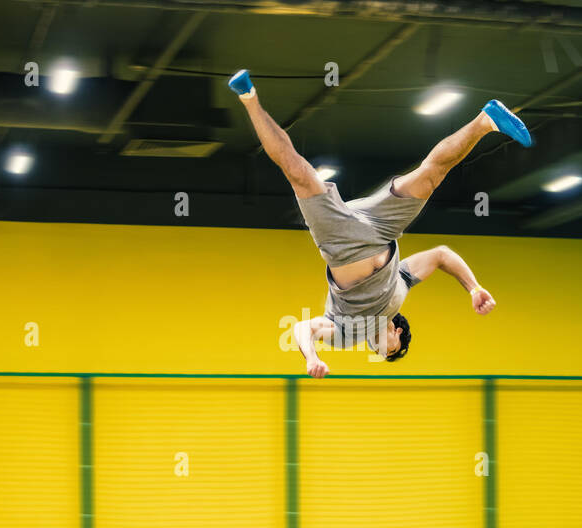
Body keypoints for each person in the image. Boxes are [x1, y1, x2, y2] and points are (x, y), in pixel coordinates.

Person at [228, 68, 534, 377]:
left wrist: (311, 357)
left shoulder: (348, 336)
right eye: (387, 351)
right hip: (382, 225)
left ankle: (248, 96)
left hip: (341, 242)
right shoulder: (402, 285)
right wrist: (473, 287)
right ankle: (484, 123)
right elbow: (441, 255)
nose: (376, 351)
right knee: (431, 175)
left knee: (297, 171)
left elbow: (303, 327)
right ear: (398, 336)